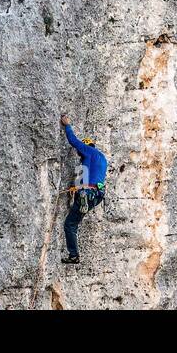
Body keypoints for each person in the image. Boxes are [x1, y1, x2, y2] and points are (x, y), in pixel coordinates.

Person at [59, 113, 108, 264]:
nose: (80, 154)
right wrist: (77, 187)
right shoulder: (102, 159)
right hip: (97, 194)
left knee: (69, 225)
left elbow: (73, 141)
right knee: (73, 223)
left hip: (88, 192)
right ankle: (83, 199)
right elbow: (89, 174)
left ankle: (74, 255)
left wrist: (67, 125)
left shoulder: (88, 151)